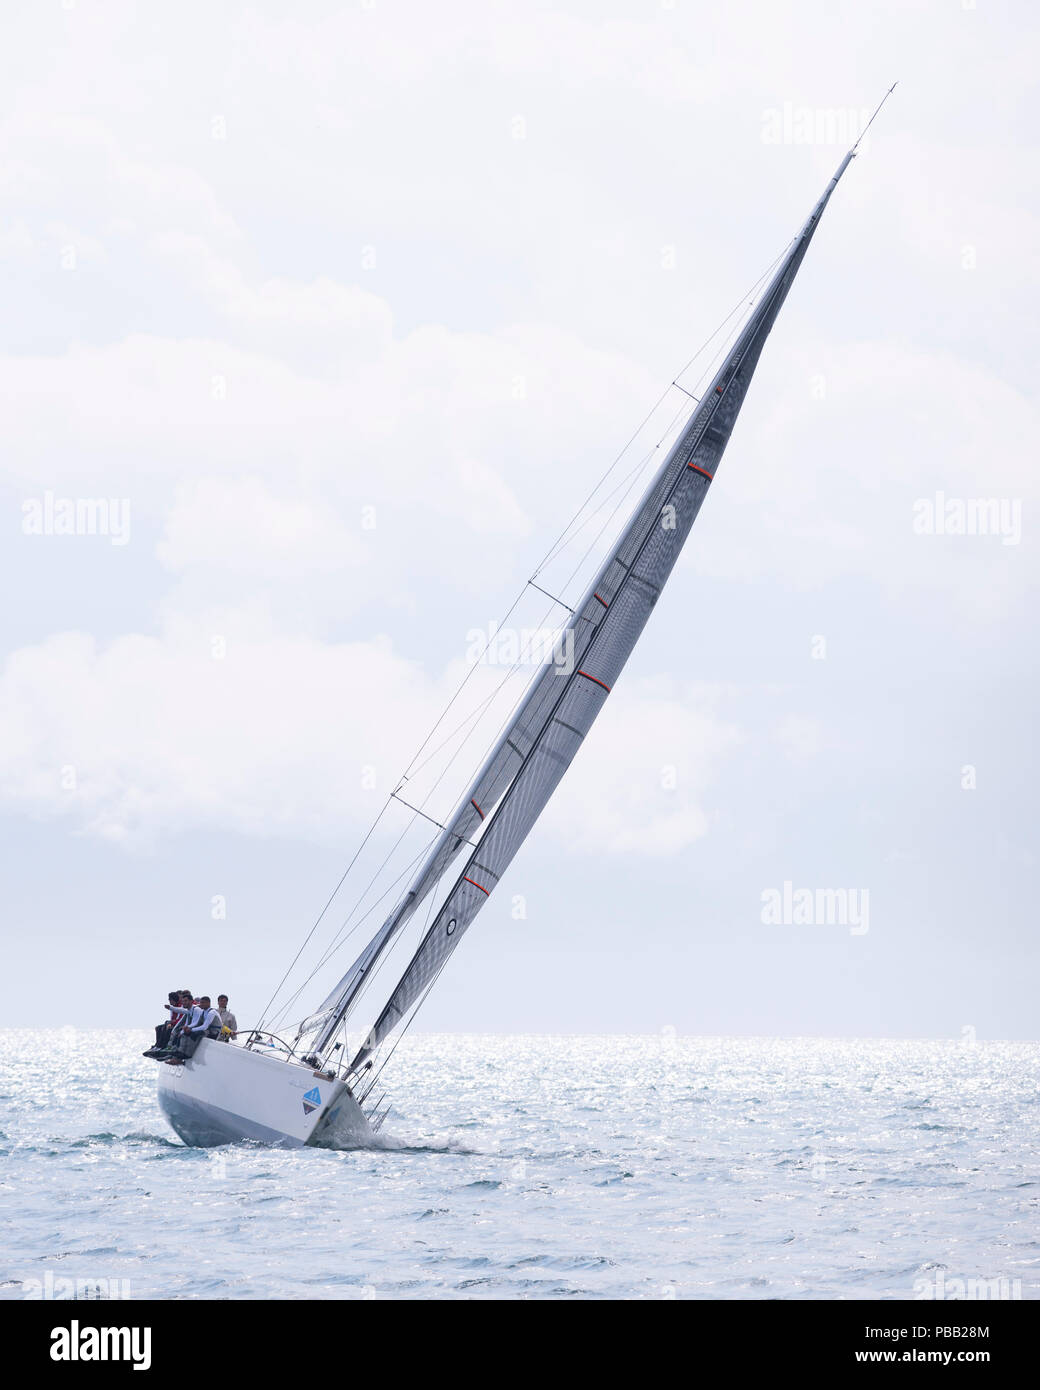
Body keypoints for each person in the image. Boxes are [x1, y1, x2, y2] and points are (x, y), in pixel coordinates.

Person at [165, 996, 221, 1066]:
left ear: (208, 1003)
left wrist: (191, 1029)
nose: (201, 1004)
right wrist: (171, 1008)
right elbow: (182, 1010)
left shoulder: (211, 1012)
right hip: (208, 1030)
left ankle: (188, 1054)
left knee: (194, 1034)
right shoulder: (203, 1011)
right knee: (187, 1033)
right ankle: (179, 1053)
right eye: (200, 1002)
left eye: (203, 1003)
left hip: (214, 1032)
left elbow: (204, 1026)